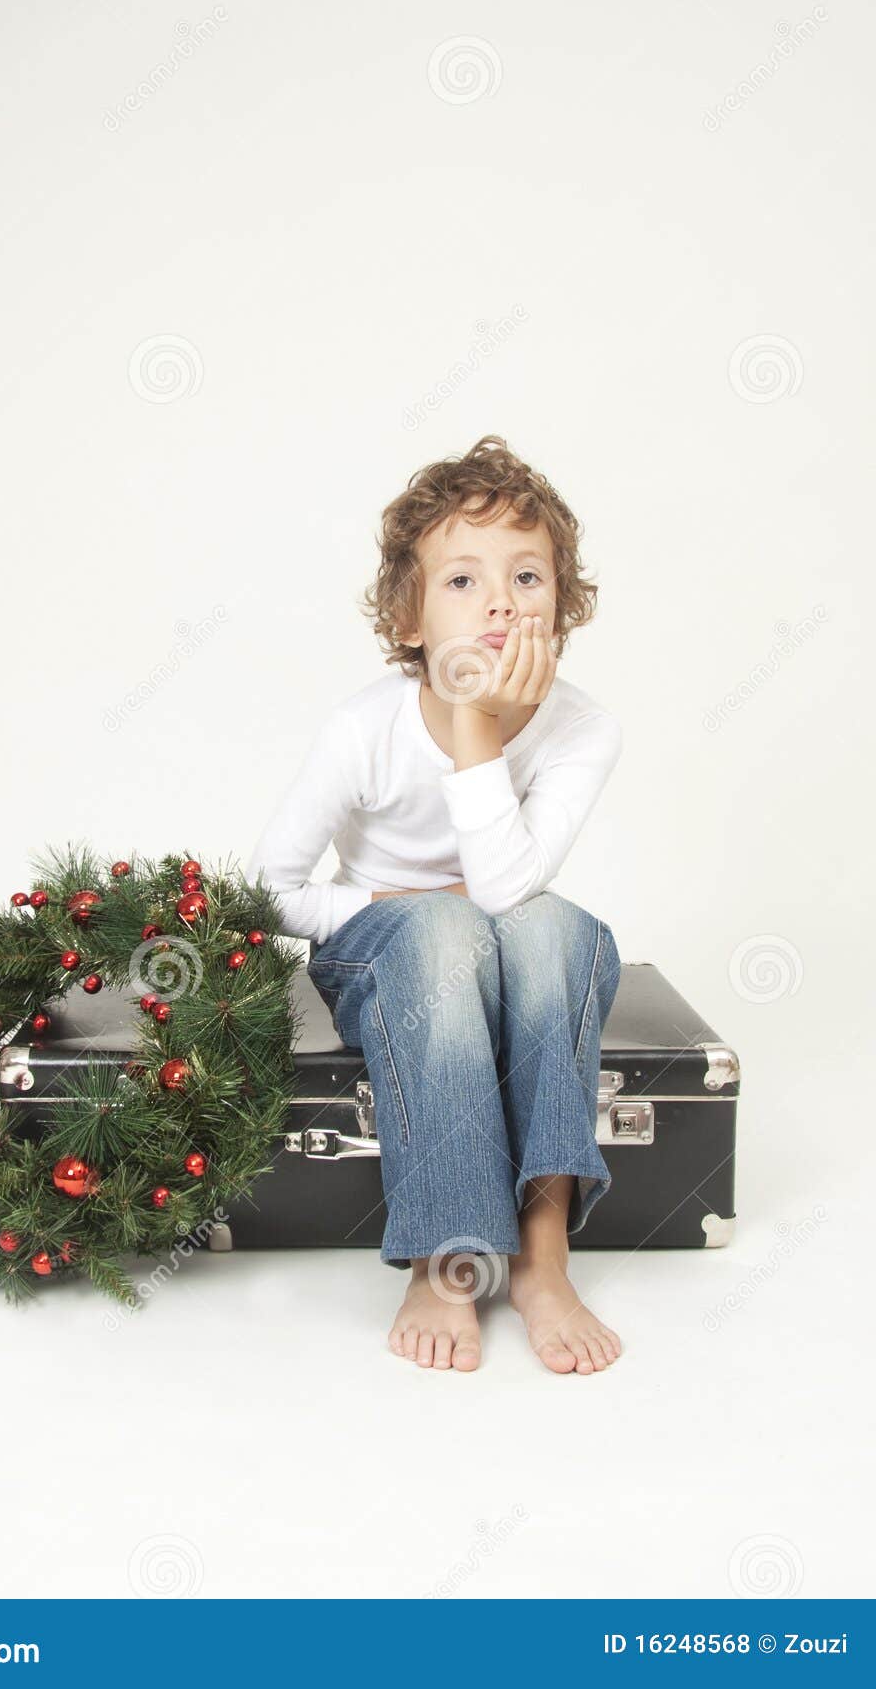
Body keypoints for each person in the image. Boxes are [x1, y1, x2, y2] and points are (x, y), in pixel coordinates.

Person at [245, 436, 625, 1376]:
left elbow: (507, 894)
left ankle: (541, 1254)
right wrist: (396, 898)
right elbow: (268, 893)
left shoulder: (584, 728)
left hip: (515, 948)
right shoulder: (363, 729)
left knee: (558, 925)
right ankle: (445, 1253)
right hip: (386, 957)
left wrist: (476, 727)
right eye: (462, 580)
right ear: (409, 619)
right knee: (445, 925)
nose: (501, 601)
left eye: (526, 576)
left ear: (561, 604)